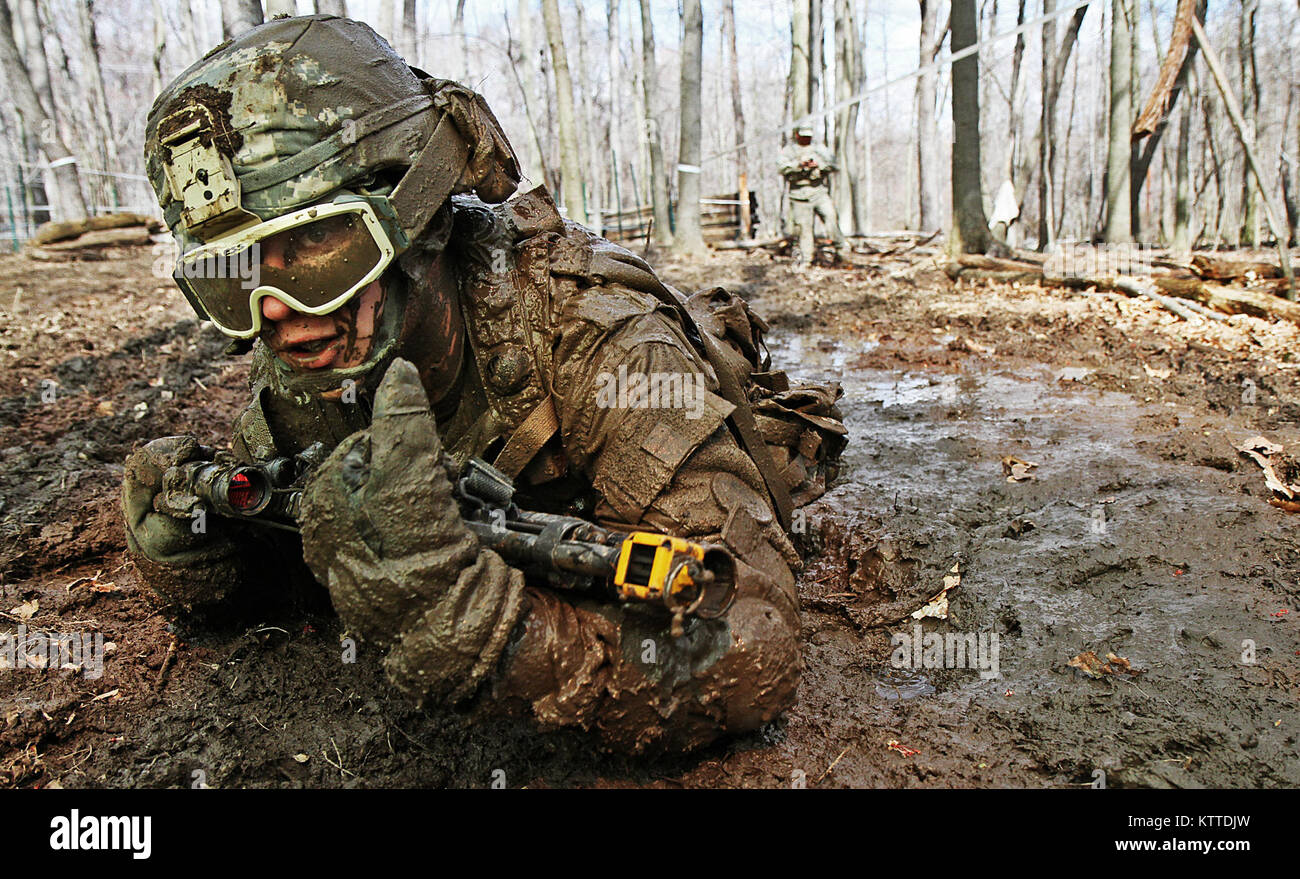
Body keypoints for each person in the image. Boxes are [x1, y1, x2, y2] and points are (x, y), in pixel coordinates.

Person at [124, 15, 845, 755]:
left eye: (313, 243)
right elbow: (289, 568)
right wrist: (194, 555)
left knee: (731, 366)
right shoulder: (312, 344)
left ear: (419, 218)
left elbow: (751, 646)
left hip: (640, 390)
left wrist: (498, 637)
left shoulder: (593, 336)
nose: (273, 311)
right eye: (232, 271)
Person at [778, 125, 849, 267]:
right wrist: (798, 165)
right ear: (797, 135)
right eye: (803, 135)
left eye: (808, 136)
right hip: (799, 196)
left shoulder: (819, 149)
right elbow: (781, 168)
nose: (806, 138)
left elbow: (834, 165)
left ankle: (842, 253)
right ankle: (806, 260)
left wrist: (819, 165)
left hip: (819, 192)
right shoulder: (788, 151)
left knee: (831, 220)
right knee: (804, 229)